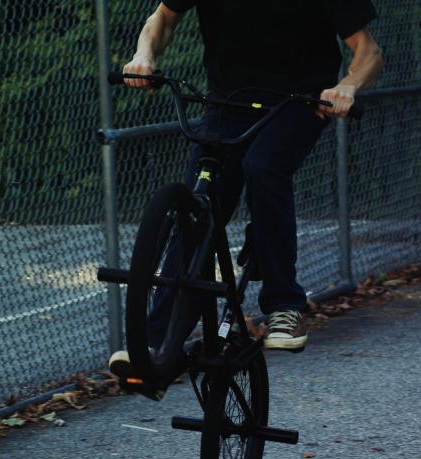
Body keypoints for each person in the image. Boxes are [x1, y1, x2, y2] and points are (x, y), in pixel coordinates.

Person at [109, 1, 384, 379]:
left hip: (299, 102)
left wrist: (347, 86)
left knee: (264, 166)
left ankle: (284, 306)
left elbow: (368, 52)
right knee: (197, 207)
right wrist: (143, 55)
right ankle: (157, 347)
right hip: (226, 103)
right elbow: (162, 20)